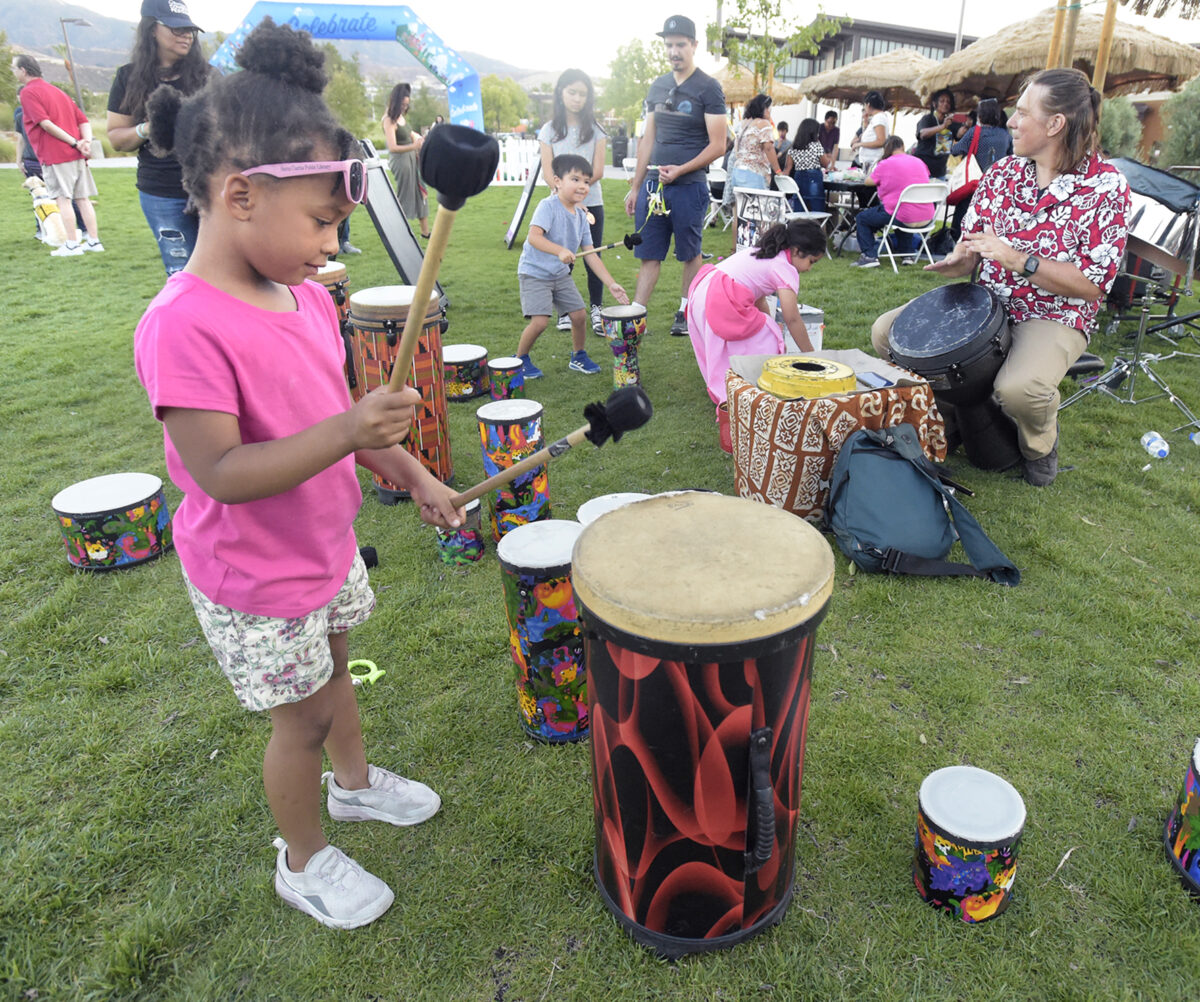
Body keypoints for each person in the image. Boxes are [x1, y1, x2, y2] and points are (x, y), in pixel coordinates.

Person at [133, 18, 462, 929]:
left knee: (338, 677)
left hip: (322, 546)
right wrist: (353, 427)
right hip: (254, 574)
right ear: (241, 195)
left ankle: (353, 788)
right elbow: (223, 474)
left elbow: (345, 425)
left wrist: (415, 471)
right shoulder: (182, 324)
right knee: (301, 721)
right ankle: (304, 856)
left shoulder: (310, 299)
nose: (332, 243)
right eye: (322, 221)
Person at [871, 68, 1130, 486]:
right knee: (887, 333)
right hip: (986, 304)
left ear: (1055, 124)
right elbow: (973, 246)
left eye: (1022, 113)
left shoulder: (1106, 188)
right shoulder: (1005, 173)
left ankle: (1038, 447)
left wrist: (1019, 260)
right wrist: (959, 261)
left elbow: (1093, 284)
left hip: (1054, 313)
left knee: (1019, 389)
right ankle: (953, 413)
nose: (1010, 121)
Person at [623, 14, 726, 337]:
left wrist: (681, 169)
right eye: (669, 45)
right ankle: (635, 317)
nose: (674, 51)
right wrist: (637, 187)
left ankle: (685, 311)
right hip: (654, 186)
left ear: (694, 45)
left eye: (681, 44)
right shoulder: (658, 86)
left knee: (689, 253)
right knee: (649, 253)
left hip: (689, 186)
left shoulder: (709, 88)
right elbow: (648, 139)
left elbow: (719, 144)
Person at [106, 0, 209, 275]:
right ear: (152, 29)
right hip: (162, 193)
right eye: (176, 28)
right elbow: (116, 138)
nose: (186, 34)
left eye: (189, 29)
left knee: (225, 273)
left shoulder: (209, 77)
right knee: (181, 274)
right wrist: (150, 128)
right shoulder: (128, 78)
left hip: (212, 189)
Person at [685, 219, 826, 405]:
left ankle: (733, 382)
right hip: (721, 297)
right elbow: (792, 318)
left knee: (761, 329)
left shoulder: (764, 252)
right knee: (772, 335)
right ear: (798, 251)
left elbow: (757, 297)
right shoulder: (784, 268)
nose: (809, 268)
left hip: (703, 291)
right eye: (811, 261)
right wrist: (812, 356)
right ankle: (754, 384)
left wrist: (765, 323)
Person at [515, 154, 630, 379]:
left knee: (579, 316)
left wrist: (611, 284)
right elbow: (534, 238)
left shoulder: (581, 215)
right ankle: (520, 359)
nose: (582, 186)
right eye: (575, 179)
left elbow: (591, 255)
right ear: (557, 181)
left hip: (560, 275)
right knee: (540, 322)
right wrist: (559, 250)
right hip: (534, 273)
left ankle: (578, 356)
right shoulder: (547, 206)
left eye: (586, 182)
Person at [538, 69, 608, 335]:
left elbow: (598, 170)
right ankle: (564, 310)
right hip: (559, 206)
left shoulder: (596, 131)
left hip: (592, 204)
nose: (577, 98)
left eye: (582, 93)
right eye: (572, 92)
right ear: (561, 93)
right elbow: (548, 172)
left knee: (592, 255)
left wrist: (579, 193)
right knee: (563, 257)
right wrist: (566, 198)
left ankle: (597, 309)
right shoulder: (549, 131)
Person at [14, 54, 102, 257]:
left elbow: (44, 123)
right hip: (77, 154)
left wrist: (74, 142)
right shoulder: (57, 91)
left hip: (56, 154)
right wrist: (84, 143)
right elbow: (84, 121)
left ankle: (72, 244)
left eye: (15, 68)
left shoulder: (29, 92)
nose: (14, 72)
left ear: (24, 70)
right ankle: (93, 240)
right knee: (83, 198)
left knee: (63, 199)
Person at [849, 136, 933, 269]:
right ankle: (907, 255)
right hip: (926, 216)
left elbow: (868, 181)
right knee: (902, 211)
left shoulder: (886, 163)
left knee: (862, 218)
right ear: (903, 147)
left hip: (903, 215)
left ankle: (869, 256)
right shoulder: (919, 162)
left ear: (886, 149)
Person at [948, 98, 1013, 242]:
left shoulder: (974, 132)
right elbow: (1011, 157)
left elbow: (955, 151)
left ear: (981, 115)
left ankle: (959, 240)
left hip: (974, 182)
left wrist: (959, 136)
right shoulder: (1005, 135)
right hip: (996, 184)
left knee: (964, 212)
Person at [382, 83, 430, 239]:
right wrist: (413, 145)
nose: (404, 107)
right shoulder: (389, 120)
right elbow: (393, 147)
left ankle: (425, 232)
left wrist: (419, 140)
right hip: (401, 161)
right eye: (402, 104)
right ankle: (400, 233)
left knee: (419, 193)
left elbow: (410, 134)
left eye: (407, 105)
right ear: (395, 102)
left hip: (412, 158)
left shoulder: (402, 118)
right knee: (405, 196)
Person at [783, 117, 834, 214]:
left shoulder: (794, 147)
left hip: (798, 180)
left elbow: (787, 169)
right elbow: (826, 163)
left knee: (799, 211)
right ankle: (817, 228)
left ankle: (799, 228)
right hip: (814, 179)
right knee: (817, 211)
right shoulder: (816, 145)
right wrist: (830, 157)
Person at [913, 88, 962, 179]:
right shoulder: (927, 118)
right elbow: (923, 134)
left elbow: (960, 134)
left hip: (940, 172)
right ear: (934, 104)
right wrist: (942, 126)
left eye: (948, 102)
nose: (945, 104)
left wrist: (967, 125)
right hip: (922, 169)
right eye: (942, 101)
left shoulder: (951, 123)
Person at [849, 92, 888, 173]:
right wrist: (865, 123)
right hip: (868, 162)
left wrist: (859, 144)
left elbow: (881, 141)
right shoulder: (877, 118)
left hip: (873, 162)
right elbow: (870, 136)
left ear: (868, 104)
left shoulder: (879, 118)